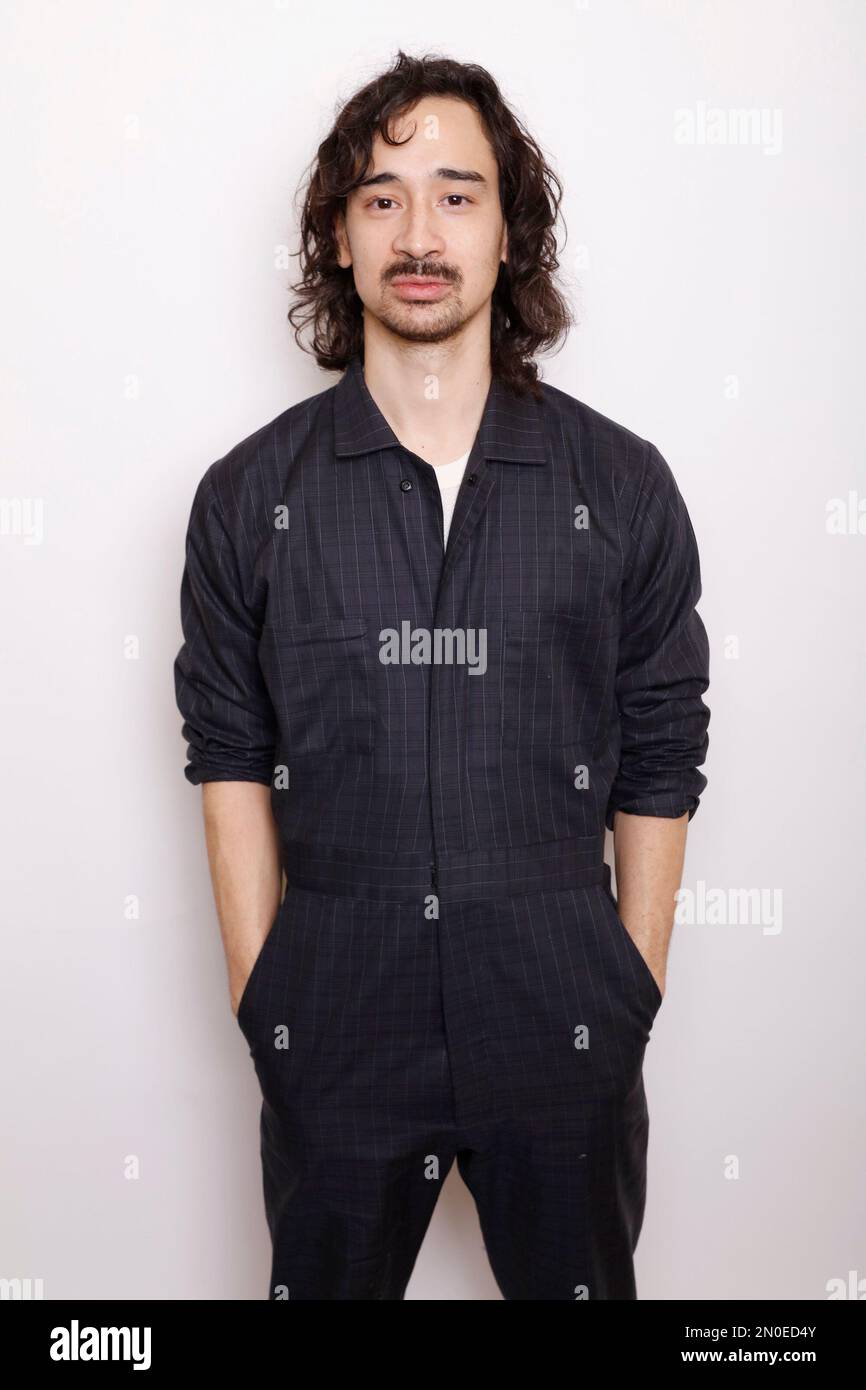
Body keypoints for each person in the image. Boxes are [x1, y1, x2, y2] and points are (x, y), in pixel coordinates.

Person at [173, 49, 711, 1301]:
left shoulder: (620, 487)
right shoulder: (251, 497)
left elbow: (659, 749)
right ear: (340, 238)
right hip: (336, 1001)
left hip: (557, 994)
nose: (420, 231)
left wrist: (624, 989)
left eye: (457, 194)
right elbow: (229, 754)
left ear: (508, 232)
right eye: (382, 197)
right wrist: (269, 1000)